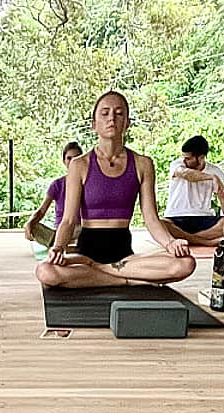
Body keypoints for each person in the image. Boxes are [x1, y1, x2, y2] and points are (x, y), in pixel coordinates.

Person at [36, 91, 196, 288]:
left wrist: (171, 243)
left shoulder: (143, 164)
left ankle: (104, 273)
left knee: (185, 264)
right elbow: (68, 220)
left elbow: (151, 219)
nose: (111, 117)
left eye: (119, 113)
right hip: (86, 254)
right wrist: (58, 247)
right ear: (94, 124)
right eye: (105, 113)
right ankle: (127, 281)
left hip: (124, 259)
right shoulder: (80, 165)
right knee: (45, 272)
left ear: (127, 123)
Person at [162, 135, 224, 245]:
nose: (184, 160)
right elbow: (187, 175)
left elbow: (223, 196)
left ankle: (188, 239)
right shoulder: (177, 164)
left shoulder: (216, 171)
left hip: (204, 218)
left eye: (188, 158)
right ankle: (203, 241)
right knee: (160, 224)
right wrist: (211, 177)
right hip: (175, 217)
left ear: (200, 158)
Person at [24, 141, 83, 249]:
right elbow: (42, 210)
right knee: (33, 226)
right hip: (59, 232)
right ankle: (64, 243)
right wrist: (29, 223)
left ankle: (67, 244)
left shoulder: (89, 183)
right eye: (69, 158)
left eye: (77, 158)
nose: (73, 161)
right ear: (64, 161)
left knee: (92, 231)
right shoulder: (57, 185)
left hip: (82, 229)